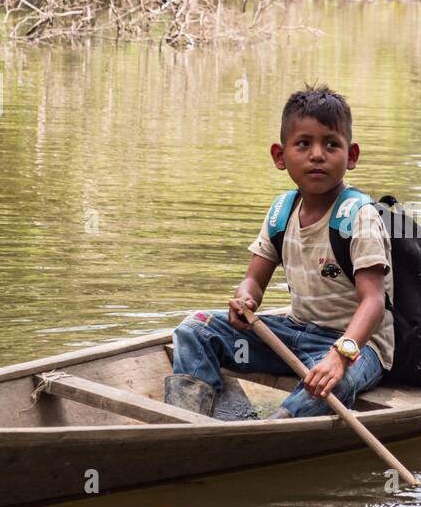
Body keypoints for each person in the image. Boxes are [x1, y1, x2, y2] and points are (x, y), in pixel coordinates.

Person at [166, 85, 394, 419]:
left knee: (330, 385)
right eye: (304, 144)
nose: (317, 155)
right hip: (296, 332)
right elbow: (253, 282)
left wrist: (338, 356)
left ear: (352, 155)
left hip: (358, 346)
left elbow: (373, 302)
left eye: (331, 144)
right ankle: (185, 419)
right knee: (195, 329)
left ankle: (275, 427)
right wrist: (244, 300)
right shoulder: (281, 213)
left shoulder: (359, 217)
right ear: (280, 156)